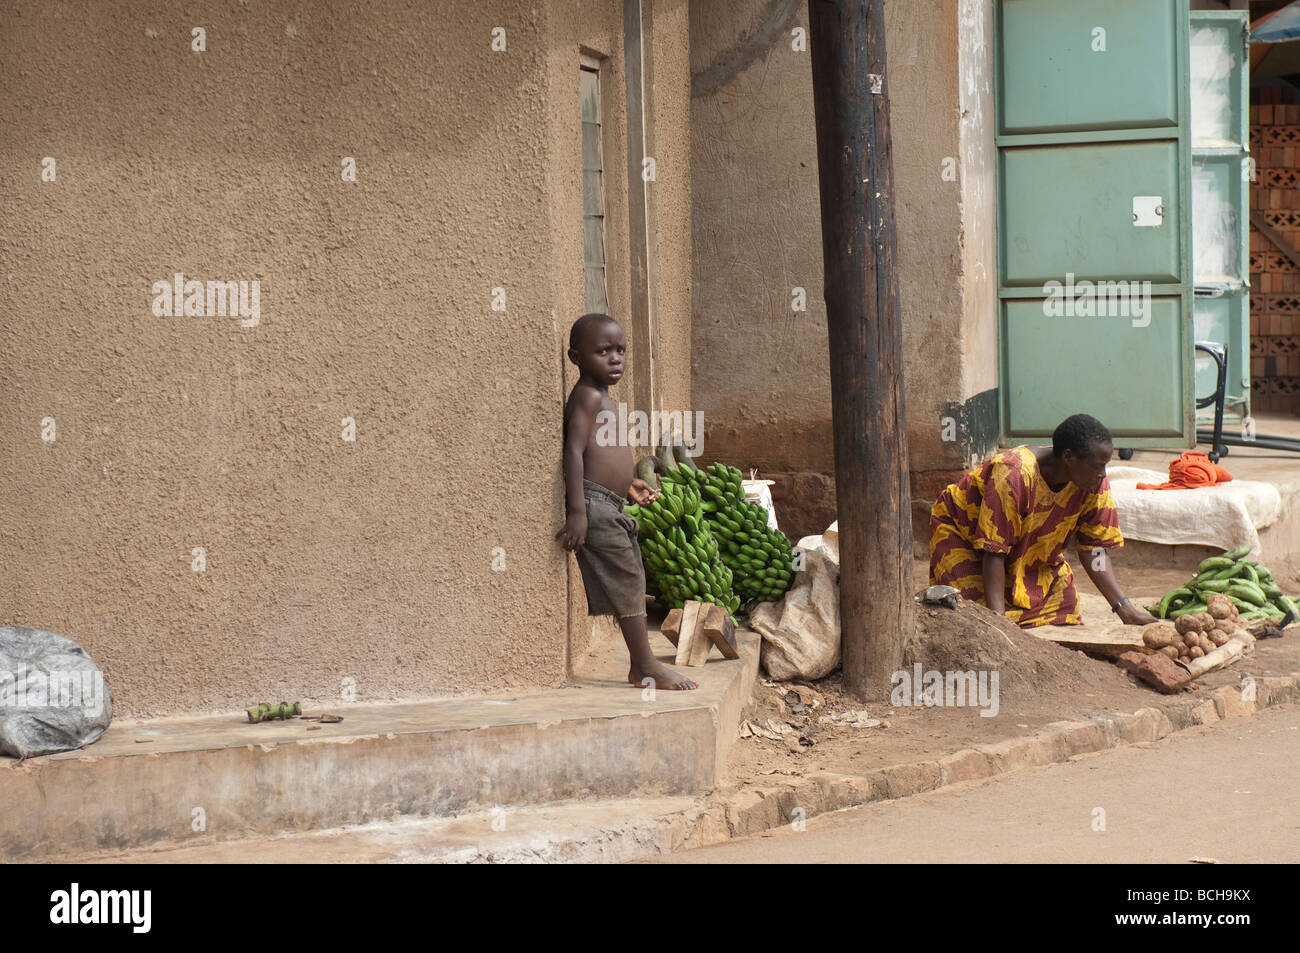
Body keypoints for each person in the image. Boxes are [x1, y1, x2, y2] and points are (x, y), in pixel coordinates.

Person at [556, 313, 698, 691]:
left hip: (611, 502)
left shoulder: (605, 398)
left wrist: (629, 483)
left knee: (633, 577)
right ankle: (645, 664)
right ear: (575, 358)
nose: (615, 358)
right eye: (603, 351)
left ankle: (642, 664)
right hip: (593, 505)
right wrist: (577, 512)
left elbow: (602, 452)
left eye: (620, 350)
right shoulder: (586, 396)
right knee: (627, 580)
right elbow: (573, 452)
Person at [928, 413, 1155, 628]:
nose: (1103, 474)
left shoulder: (1093, 483)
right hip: (967, 539)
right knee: (975, 615)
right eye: (1097, 465)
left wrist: (1125, 609)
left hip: (1028, 549)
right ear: (1068, 457)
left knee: (1064, 608)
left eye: (1105, 465)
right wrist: (998, 623)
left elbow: (1094, 547)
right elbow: (993, 551)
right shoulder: (1013, 473)